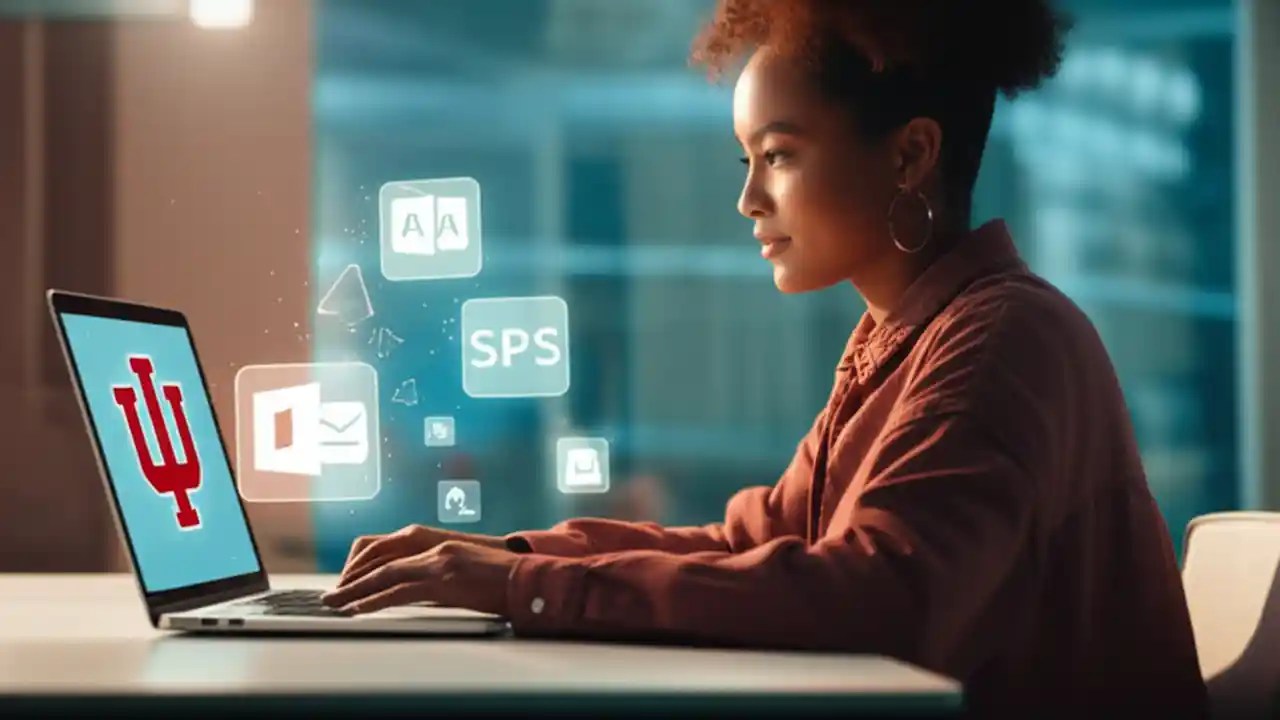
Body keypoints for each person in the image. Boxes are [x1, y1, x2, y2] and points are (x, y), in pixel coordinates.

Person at [322, 0, 1209, 714]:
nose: (748, 199)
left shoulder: (1005, 341)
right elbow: (754, 540)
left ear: (911, 155)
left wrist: (527, 585)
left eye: (778, 155)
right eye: (748, 158)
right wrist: (505, 556)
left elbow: (879, 598)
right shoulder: (900, 339)